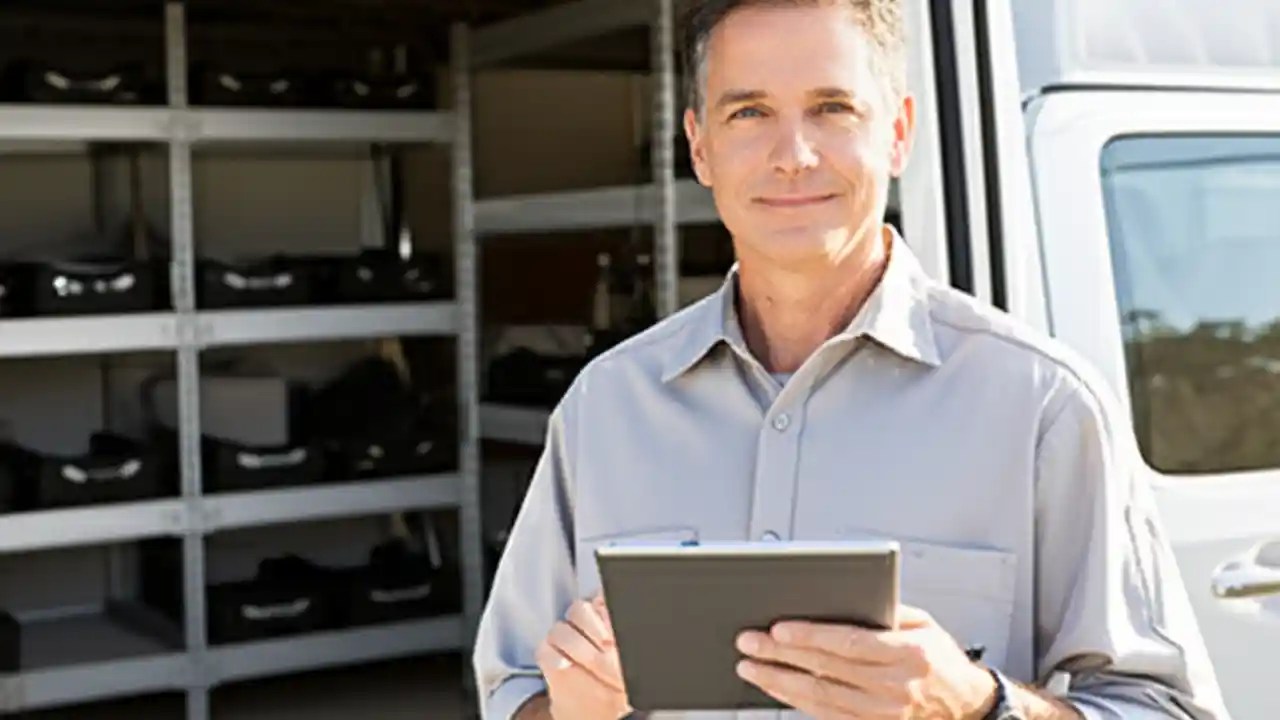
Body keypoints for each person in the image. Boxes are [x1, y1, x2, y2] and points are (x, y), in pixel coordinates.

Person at [472, 1, 1229, 718]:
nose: (793, 156)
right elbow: (513, 692)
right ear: (699, 147)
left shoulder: (1042, 407)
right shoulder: (605, 408)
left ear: (897, 133)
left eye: (831, 108)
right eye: (749, 113)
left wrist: (977, 704)